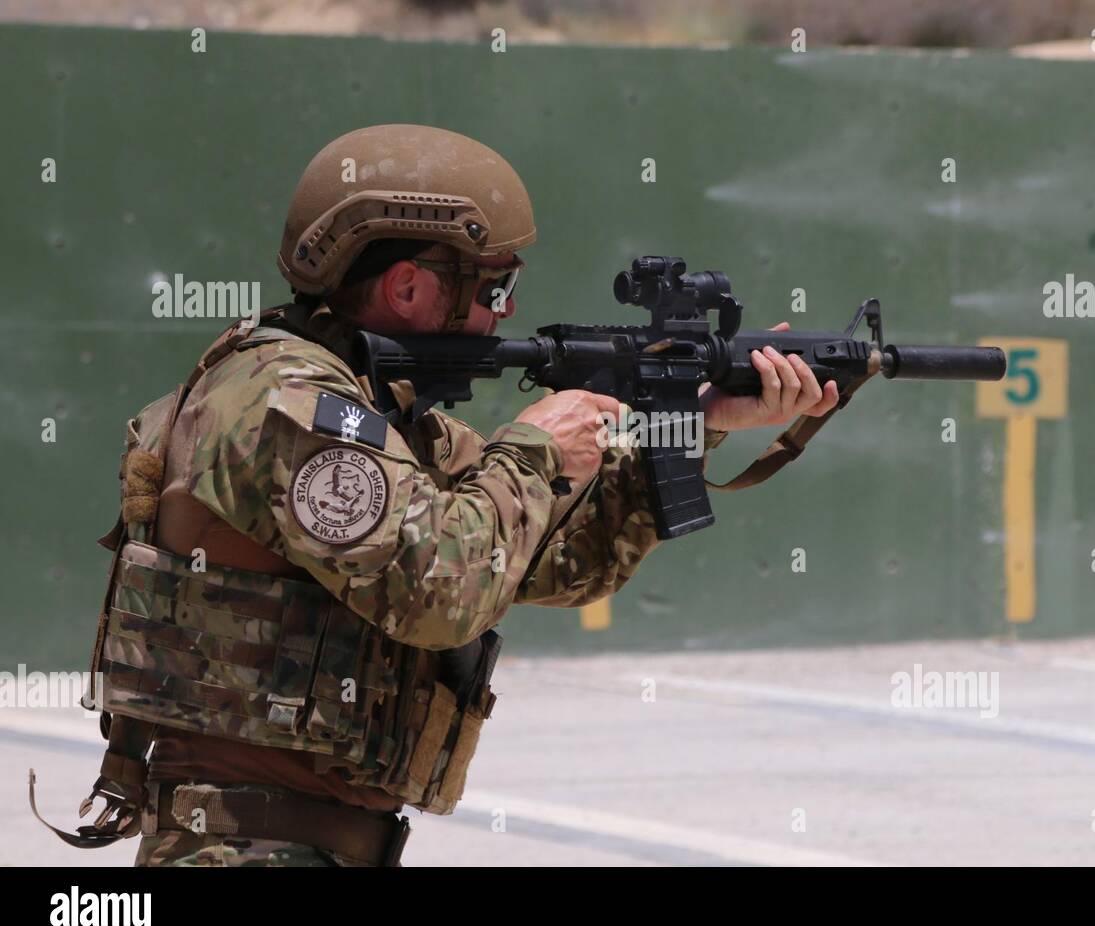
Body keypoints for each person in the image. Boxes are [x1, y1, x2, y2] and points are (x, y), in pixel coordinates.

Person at [42, 124, 837, 866]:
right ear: (410, 287)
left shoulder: (380, 419)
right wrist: (533, 450)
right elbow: (436, 593)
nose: (508, 312)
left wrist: (697, 426)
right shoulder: (281, 404)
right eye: (496, 287)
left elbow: (555, 562)